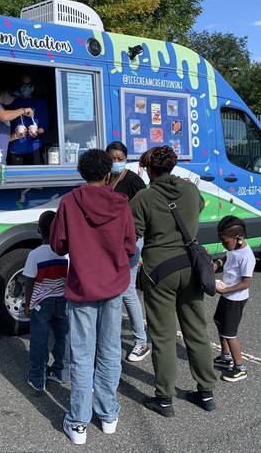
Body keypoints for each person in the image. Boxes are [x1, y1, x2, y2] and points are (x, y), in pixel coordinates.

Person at [50, 149, 137, 445]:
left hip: (82, 287)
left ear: (82, 173)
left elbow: (59, 244)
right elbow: (130, 246)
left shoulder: (69, 202)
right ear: (108, 173)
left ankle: (78, 423)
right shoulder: (121, 203)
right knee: (110, 351)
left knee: (82, 355)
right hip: (114, 285)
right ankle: (108, 414)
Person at [129, 146, 218, 417]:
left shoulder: (144, 197)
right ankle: (206, 392)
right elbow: (199, 207)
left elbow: (132, 233)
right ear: (172, 166)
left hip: (159, 271)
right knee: (196, 331)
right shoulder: (190, 190)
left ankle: (165, 399)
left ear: (148, 168)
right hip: (190, 267)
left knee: (163, 336)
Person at [106, 141, 150, 362]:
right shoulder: (104, 179)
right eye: (112, 158)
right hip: (109, 242)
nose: (116, 162)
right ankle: (111, 337)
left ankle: (141, 341)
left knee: (126, 289)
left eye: (119, 158)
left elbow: (146, 210)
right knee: (113, 290)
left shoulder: (133, 181)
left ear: (125, 158)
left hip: (131, 240)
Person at [23, 210, 69, 392]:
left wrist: (28, 304)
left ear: (38, 230)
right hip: (63, 300)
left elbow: (29, 280)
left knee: (39, 340)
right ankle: (60, 372)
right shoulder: (66, 253)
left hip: (41, 303)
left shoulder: (35, 254)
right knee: (63, 338)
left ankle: (37, 378)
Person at [213, 215, 255, 382]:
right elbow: (226, 258)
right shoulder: (233, 249)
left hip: (235, 298)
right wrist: (217, 263)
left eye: (225, 241)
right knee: (218, 322)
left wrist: (227, 290)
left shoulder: (246, 256)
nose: (223, 244)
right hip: (227, 294)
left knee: (230, 333)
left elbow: (246, 283)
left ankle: (239, 368)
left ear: (238, 239)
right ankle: (225, 357)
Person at [8, 74, 48, 165]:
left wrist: (37, 131)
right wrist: (15, 133)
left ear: (33, 87)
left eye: (29, 85)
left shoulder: (39, 103)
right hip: (15, 147)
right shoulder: (12, 102)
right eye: (23, 85)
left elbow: (44, 127)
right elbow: (5, 123)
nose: (26, 88)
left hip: (34, 147)